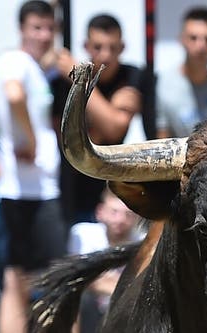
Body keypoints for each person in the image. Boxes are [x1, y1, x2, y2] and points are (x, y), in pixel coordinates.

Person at [0, 0, 67, 333]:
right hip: (22, 193)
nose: (43, 35)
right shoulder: (14, 63)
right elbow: (14, 95)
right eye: (36, 27)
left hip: (36, 190)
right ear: (21, 29)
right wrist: (31, 141)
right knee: (19, 283)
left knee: (43, 280)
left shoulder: (33, 65)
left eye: (48, 27)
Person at [52, 13, 153, 225]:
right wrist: (109, 111)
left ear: (122, 48)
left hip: (116, 199)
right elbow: (70, 142)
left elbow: (114, 129)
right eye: (98, 47)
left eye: (112, 48)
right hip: (72, 193)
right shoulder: (61, 84)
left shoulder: (134, 76)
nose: (105, 55)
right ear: (86, 46)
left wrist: (80, 82)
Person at [67, 188, 143, 333]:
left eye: (128, 214)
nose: (120, 219)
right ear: (100, 212)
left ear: (136, 218)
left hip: (127, 311)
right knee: (74, 296)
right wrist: (125, 285)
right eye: (114, 212)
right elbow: (80, 277)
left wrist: (102, 280)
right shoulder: (83, 234)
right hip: (92, 310)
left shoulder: (143, 242)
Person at [156, 7, 207, 139]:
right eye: (193, 38)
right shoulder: (163, 84)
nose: (201, 46)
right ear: (181, 40)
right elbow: (162, 142)